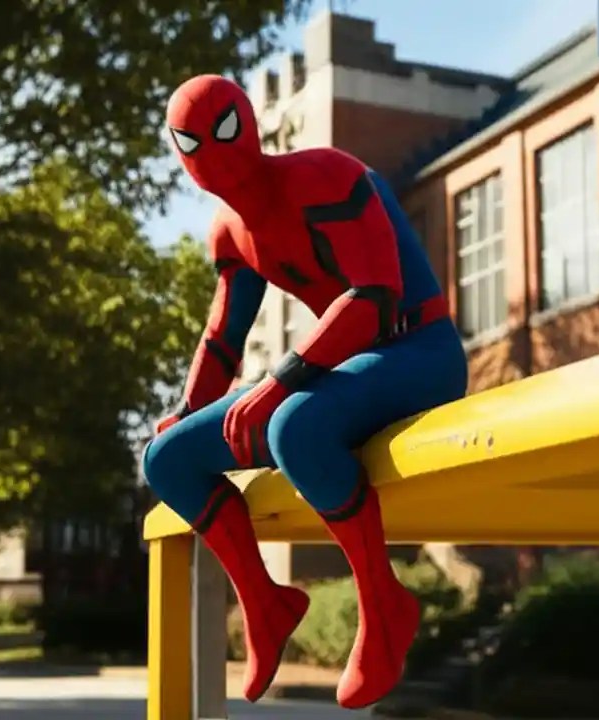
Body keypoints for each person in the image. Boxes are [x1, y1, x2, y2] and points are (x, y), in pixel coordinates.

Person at [142, 74, 468, 709]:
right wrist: (185, 411)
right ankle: (266, 603)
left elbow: (375, 300)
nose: (212, 154)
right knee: (169, 459)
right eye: (191, 143)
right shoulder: (230, 233)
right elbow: (222, 340)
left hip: (418, 350)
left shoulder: (331, 177)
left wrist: (280, 383)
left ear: (250, 126)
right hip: (336, 370)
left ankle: (383, 604)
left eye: (224, 132)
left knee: (294, 424)